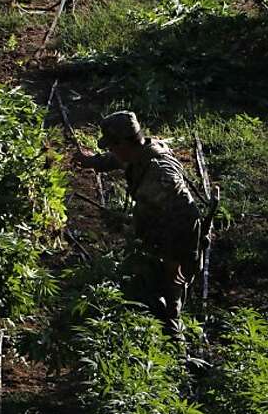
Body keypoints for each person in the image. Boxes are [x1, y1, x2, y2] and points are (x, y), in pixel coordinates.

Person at [76, 111, 205, 342]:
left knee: (170, 295)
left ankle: (175, 341)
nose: (112, 151)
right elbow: (118, 160)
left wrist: (175, 261)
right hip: (157, 231)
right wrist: (92, 162)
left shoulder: (161, 176)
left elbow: (187, 218)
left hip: (179, 241)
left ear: (124, 143)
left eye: (113, 146)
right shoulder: (140, 152)